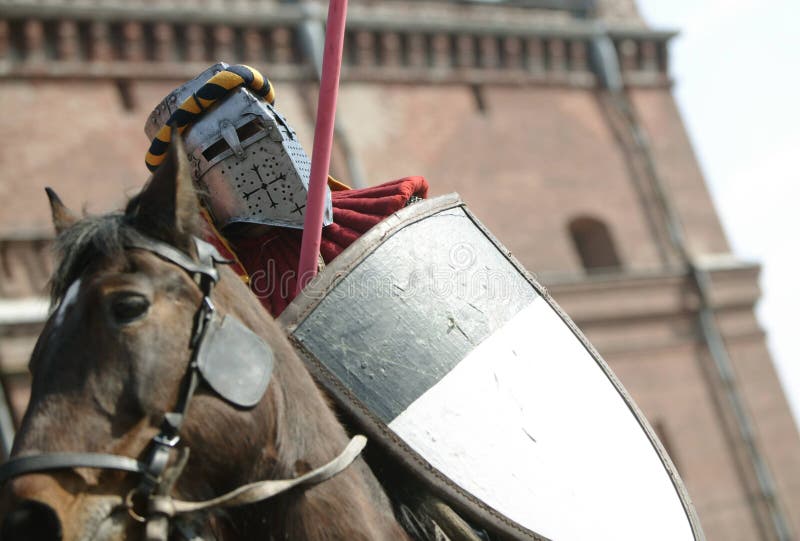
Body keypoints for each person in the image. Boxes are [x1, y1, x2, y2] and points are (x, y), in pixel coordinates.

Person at [145, 63, 428, 316]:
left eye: (271, 125)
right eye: (229, 145)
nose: (270, 142)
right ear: (197, 182)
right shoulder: (227, 295)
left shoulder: (380, 217)